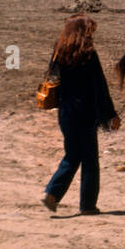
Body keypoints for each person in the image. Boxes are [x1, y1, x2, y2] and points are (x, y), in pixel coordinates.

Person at [42, 15, 119, 215]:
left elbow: (52, 78)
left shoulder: (59, 52)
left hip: (65, 112)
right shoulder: (89, 54)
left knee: (72, 155)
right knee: (90, 160)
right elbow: (100, 87)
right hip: (85, 113)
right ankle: (87, 205)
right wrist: (111, 114)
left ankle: (52, 193)